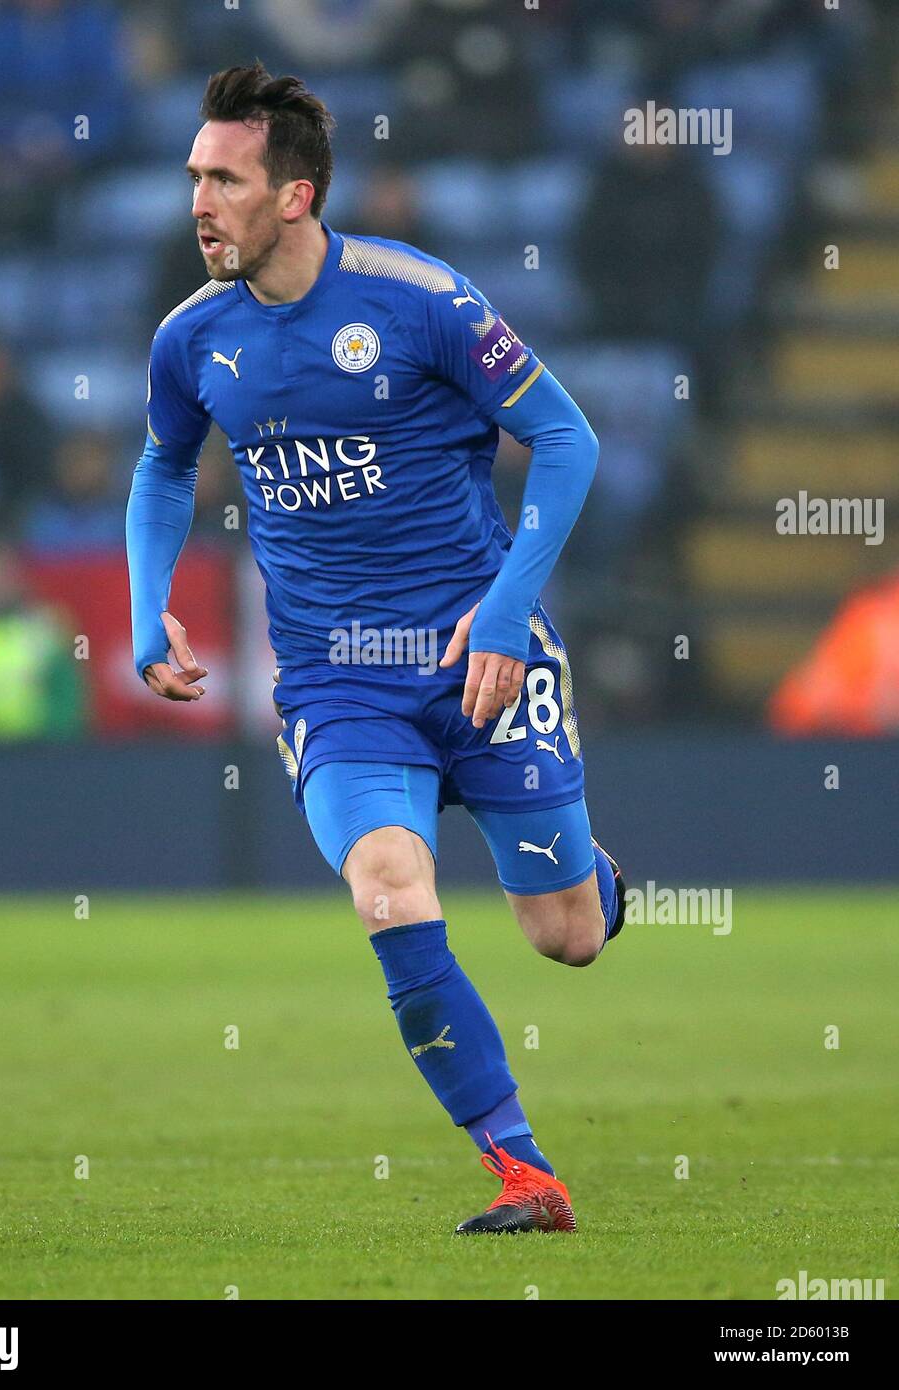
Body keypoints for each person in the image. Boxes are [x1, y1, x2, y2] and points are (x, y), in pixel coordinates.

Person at [126, 63, 627, 1235]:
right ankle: (525, 1172)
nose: (198, 200)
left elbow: (565, 436)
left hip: (479, 651)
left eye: (225, 179)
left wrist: (507, 611)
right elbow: (161, 467)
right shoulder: (191, 338)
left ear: (294, 195)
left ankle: (595, 874)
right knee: (390, 895)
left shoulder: (421, 300)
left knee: (568, 937)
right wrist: (152, 603)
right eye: (194, 174)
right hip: (337, 676)